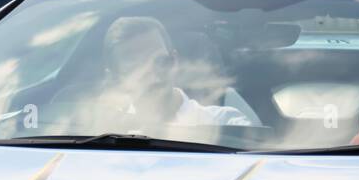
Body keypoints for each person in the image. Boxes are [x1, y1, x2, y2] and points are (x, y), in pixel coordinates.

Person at [98, 17, 251, 128]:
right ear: (114, 77)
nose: (150, 73)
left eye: (159, 60)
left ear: (175, 61)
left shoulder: (227, 125)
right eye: (135, 66)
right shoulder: (98, 136)